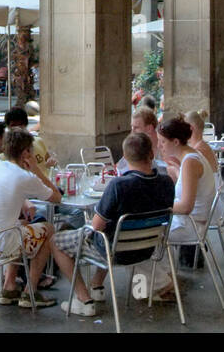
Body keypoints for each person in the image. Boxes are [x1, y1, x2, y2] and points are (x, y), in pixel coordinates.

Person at [53, 132, 175, 317]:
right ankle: (96, 285)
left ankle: (83, 299)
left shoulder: (118, 185)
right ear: (151, 154)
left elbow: (95, 226)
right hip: (149, 248)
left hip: (115, 252)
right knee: (111, 230)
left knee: (56, 241)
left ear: (125, 158)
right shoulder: (166, 183)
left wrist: (87, 224)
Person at [0, 128, 62, 309]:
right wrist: (36, 170)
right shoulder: (25, 176)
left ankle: (9, 286)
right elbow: (57, 197)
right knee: (49, 229)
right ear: (26, 152)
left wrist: (25, 203)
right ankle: (30, 292)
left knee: (21, 225)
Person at [157, 116, 216, 296]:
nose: (160, 146)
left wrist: (159, 205)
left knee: (148, 236)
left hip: (191, 225)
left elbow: (185, 207)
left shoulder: (190, 162)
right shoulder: (190, 158)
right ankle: (164, 278)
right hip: (195, 222)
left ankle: (163, 283)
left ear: (175, 141)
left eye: (162, 142)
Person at [116, 105, 160, 172]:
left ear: (149, 128)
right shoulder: (135, 145)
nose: (132, 131)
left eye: (136, 128)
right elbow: (119, 168)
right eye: (132, 127)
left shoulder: (164, 147)